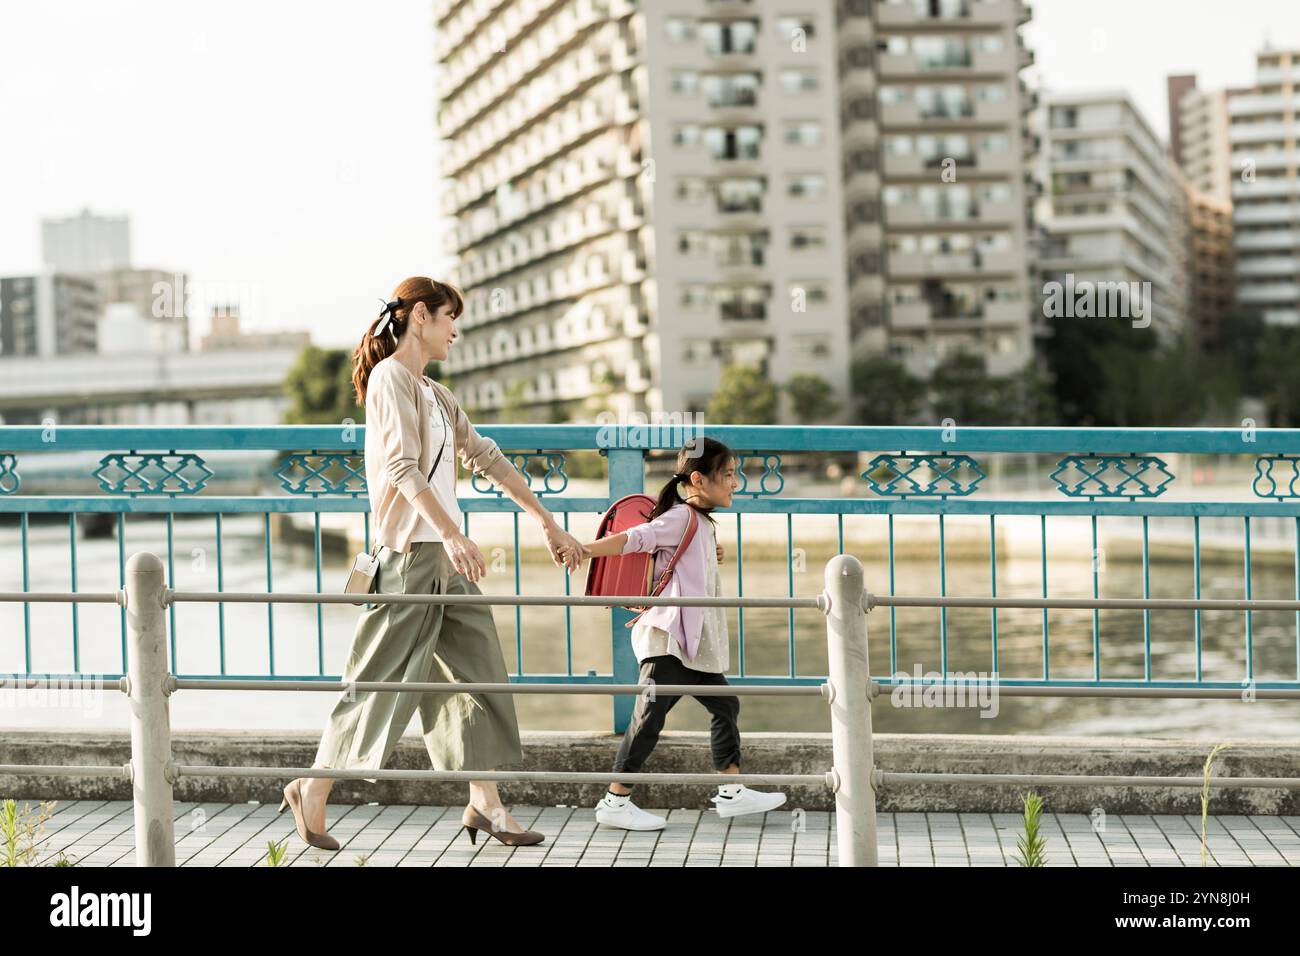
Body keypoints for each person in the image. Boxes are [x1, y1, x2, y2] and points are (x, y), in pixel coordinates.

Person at [279, 276, 584, 850]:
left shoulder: (436, 393)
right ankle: (312, 789)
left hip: (445, 561)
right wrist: (452, 534)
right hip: (411, 558)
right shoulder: (389, 381)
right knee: (376, 681)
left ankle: (485, 802)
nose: (455, 330)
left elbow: (485, 456)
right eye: (449, 318)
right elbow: (401, 467)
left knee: (478, 676)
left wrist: (546, 519)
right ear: (420, 316)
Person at [561, 438, 787, 830]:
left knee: (725, 705)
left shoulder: (699, 522)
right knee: (648, 719)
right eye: (729, 475)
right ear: (698, 479)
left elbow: (679, 560)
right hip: (669, 641)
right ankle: (615, 801)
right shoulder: (682, 517)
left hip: (691, 644)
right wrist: (584, 549)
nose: (736, 483)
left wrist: (709, 552)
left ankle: (731, 790)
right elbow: (637, 538)